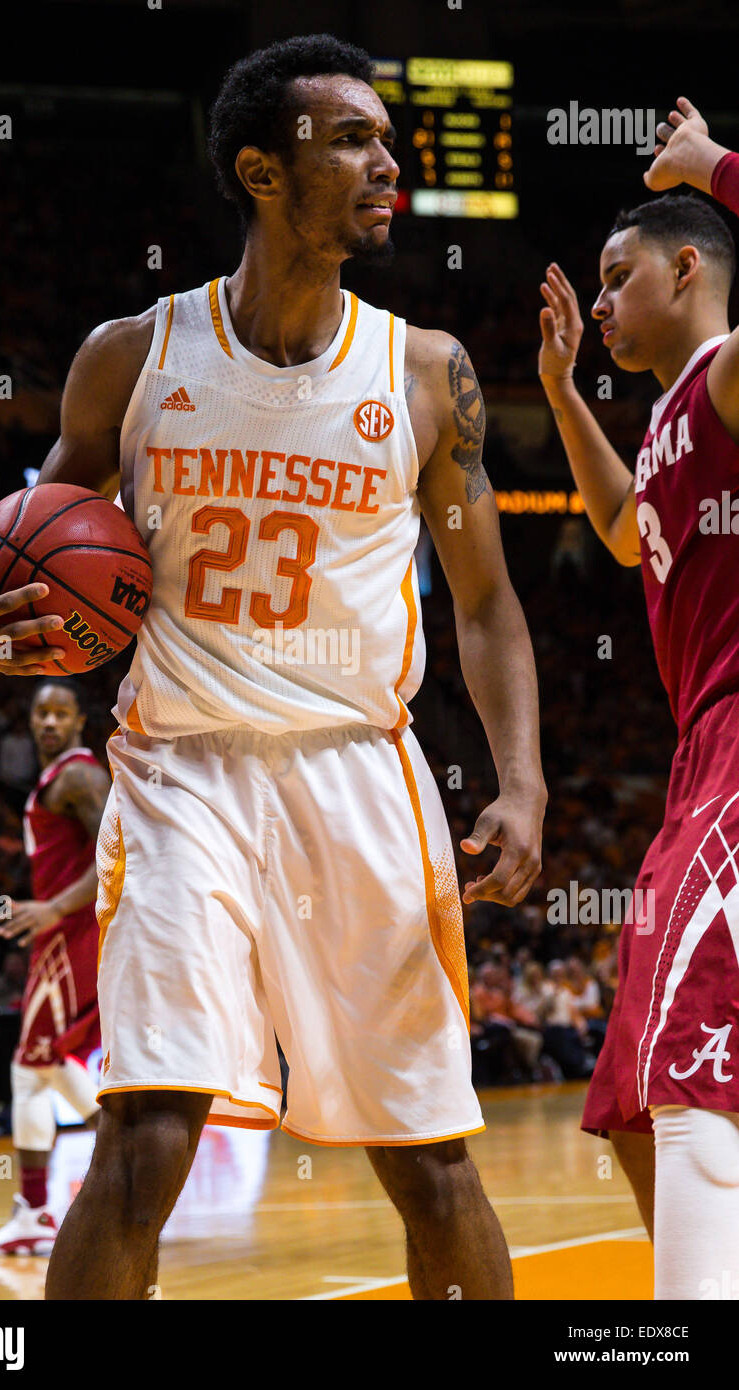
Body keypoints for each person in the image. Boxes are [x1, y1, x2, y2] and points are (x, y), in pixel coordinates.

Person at [0, 34, 547, 1300]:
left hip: (360, 778)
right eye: (350, 138)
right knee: (143, 1142)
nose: (386, 160)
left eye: (384, 136)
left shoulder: (426, 375)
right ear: (260, 168)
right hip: (178, 774)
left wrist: (517, 781)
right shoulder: (131, 355)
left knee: (426, 1163)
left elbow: (486, 606)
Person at [537, 95, 739, 1298]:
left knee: (687, 1059)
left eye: (617, 279)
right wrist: (563, 392)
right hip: (694, 760)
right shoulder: (671, 417)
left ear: (686, 265)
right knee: (622, 1101)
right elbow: (622, 528)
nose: (600, 301)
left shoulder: (724, 378)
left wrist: (714, 165)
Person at [0, 680, 110, 1256]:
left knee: (34, 1064)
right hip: (57, 936)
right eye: (41, 714)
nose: (49, 722)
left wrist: (53, 907)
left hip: (73, 933)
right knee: (39, 1066)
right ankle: (37, 1208)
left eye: (60, 713)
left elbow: (119, 849)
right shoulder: (54, 779)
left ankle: (39, 1207)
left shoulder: (80, 775)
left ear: (79, 721)